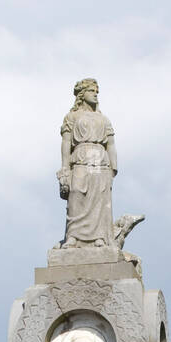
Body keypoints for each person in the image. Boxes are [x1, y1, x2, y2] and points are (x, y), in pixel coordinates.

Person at [58, 78, 117, 248]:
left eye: (97, 92)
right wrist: (65, 169)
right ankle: (73, 236)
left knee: (99, 197)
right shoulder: (72, 116)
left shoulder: (104, 119)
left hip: (100, 160)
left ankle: (99, 236)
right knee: (76, 194)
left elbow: (111, 144)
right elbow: (66, 143)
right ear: (82, 95)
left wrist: (113, 168)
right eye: (92, 92)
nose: (96, 95)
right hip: (80, 158)